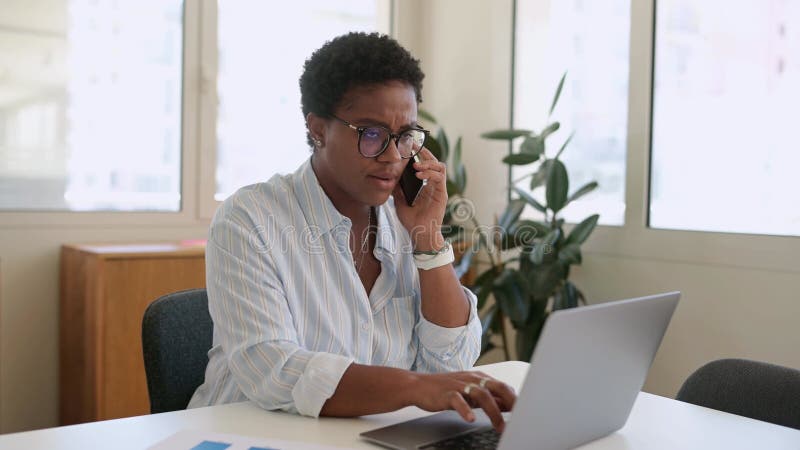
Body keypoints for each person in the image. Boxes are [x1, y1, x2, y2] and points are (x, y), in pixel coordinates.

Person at [188, 32, 516, 432]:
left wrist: (428, 239)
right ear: (318, 129)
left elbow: (449, 363)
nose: (394, 156)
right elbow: (273, 369)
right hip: (252, 435)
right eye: (371, 133)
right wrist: (414, 387)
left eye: (404, 136)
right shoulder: (251, 219)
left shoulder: (405, 218)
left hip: (368, 435)